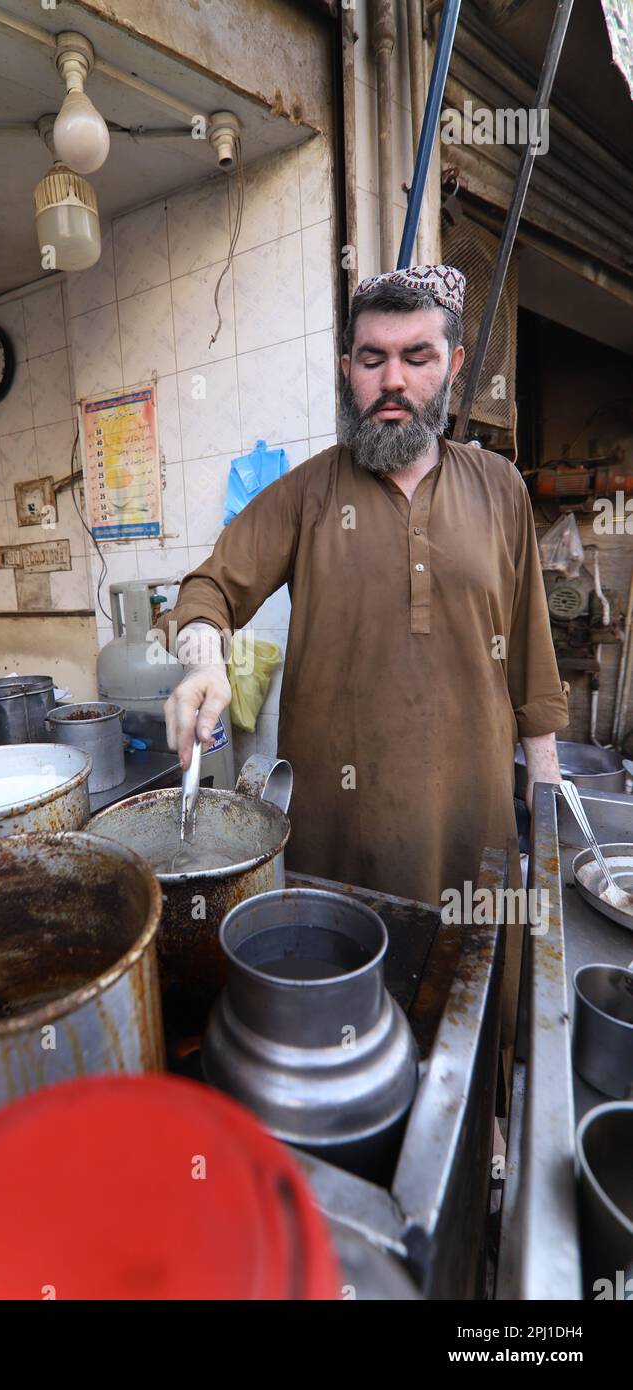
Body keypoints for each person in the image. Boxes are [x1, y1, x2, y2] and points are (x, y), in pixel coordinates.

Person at [163, 264, 567, 1059]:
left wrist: (544, 792)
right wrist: (203, 659)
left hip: (470, 818)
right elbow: (206, 586)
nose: (392, 379)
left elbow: (528, 647)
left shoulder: (501, 490)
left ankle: (475, 1117)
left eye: (416, 356)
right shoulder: (308, 494)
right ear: (347, 369)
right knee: (343, 1019)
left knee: (469, 1007)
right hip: (338, 830)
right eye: (371, 357)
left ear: (452, 366)